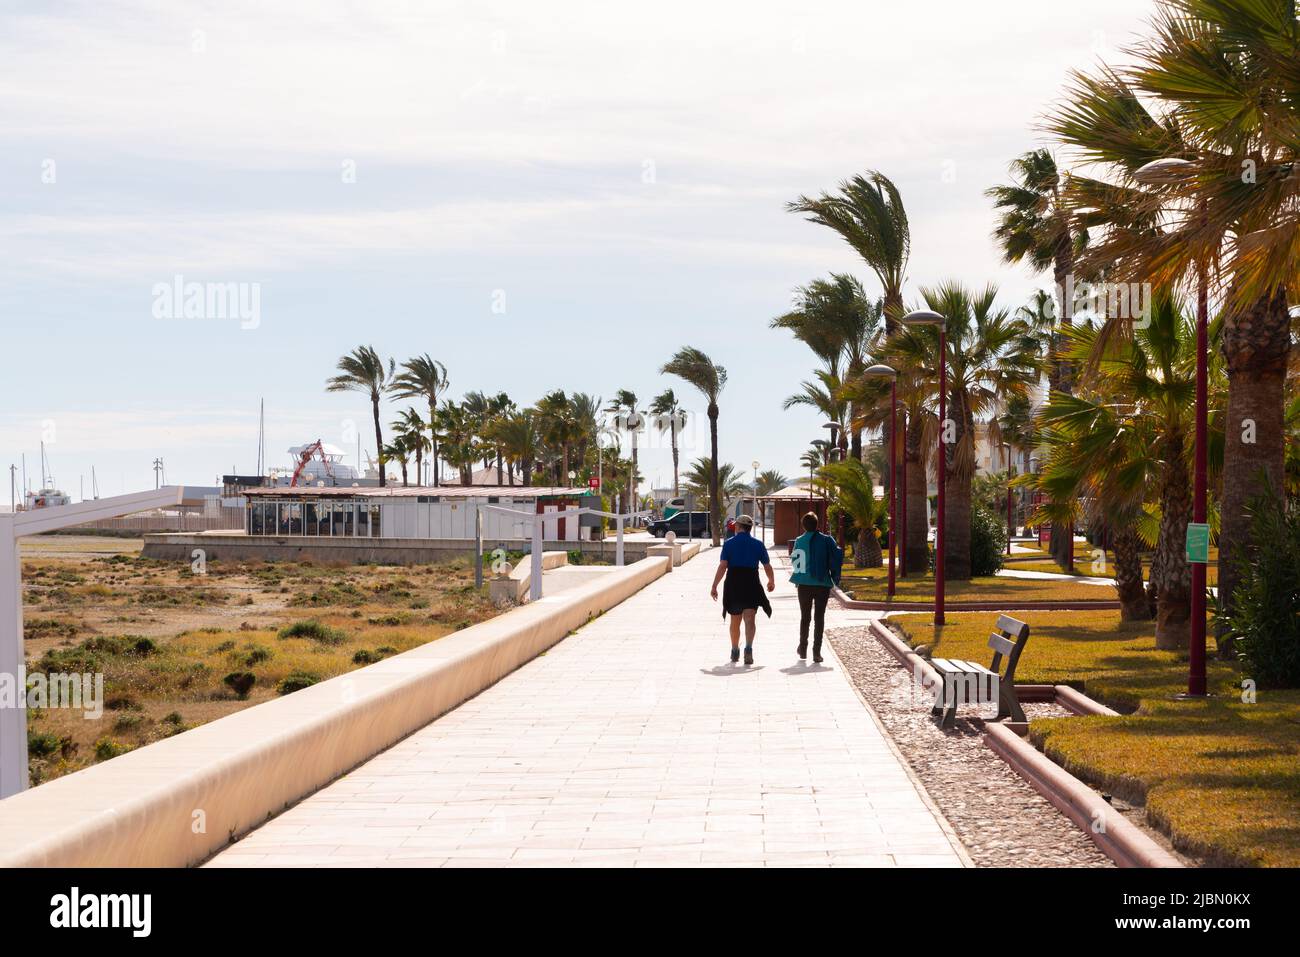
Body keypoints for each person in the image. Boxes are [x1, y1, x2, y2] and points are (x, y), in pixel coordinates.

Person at [710, 513, 774, 664]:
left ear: (738, 527)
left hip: (734, 582)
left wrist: (714, 585)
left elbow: (723, 566)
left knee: (735, 620)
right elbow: (767, 565)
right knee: (750, 618)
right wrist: (771, 581)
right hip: (751, 581)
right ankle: (749, 649)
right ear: (750, 528)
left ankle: (734, 650)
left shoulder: (729, 543)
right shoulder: (758, 544)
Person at [789, 511, 843, 663]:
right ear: (817, 524)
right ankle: (816, 652)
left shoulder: (799, 540)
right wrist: (835, 576)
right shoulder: (827, 540)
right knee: (819, 618)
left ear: (803, 526)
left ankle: (803, 648)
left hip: (804, 585)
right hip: (822, 584)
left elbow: (795, 562)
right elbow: (836, 558)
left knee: (805, 617)